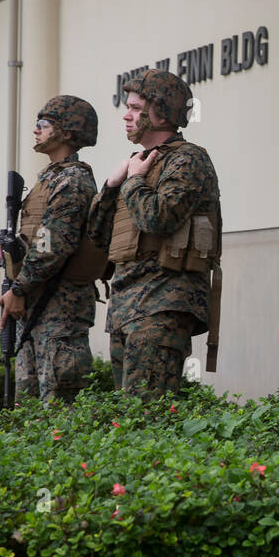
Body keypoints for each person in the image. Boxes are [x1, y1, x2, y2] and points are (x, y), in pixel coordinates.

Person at [88, 69, 221, 400]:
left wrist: (133, 182)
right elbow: (98, 237)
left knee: (147, 415)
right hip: (126, 305)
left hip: (163, 303)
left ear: (160, 112)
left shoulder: (188, 159)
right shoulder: (139, 163)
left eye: (135, 107)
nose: (127, 115)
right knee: (127, 419)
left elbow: (160, 219)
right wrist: (111, 186)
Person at [0, 95, 106, 402]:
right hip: (38, 305)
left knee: (60, 408)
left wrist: (19, 289)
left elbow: (51, 245)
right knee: (29, 408)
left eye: (43, 125)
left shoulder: (72, 180)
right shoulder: (50, 179)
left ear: (67, 133)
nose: (36, 130)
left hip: (60, 309)